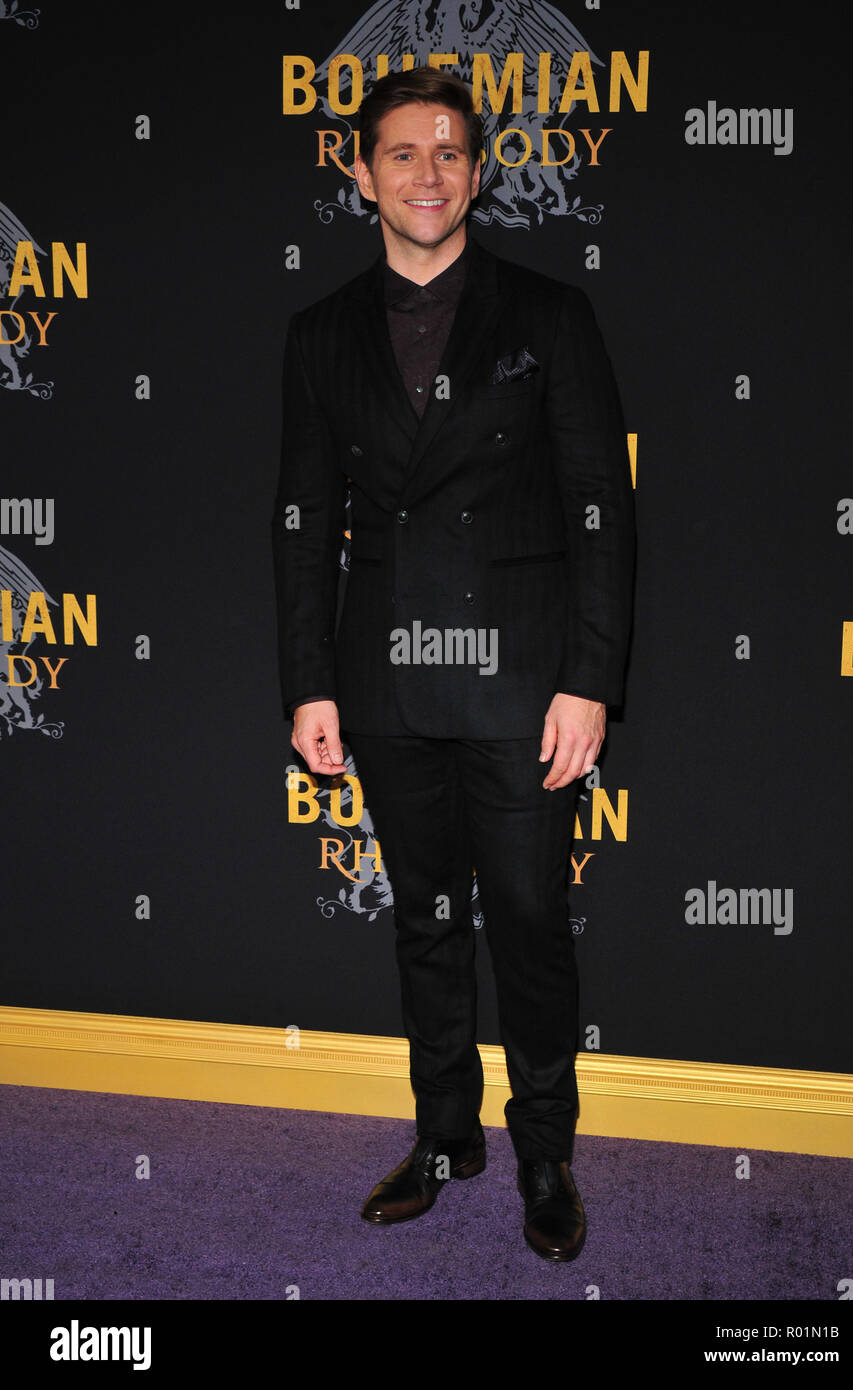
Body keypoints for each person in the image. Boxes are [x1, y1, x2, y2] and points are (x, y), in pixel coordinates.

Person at [272, 65, 635, 1262]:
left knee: (528, 918)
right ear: (359, 171)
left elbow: (597, 503)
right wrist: (310, 680)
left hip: (522, 683)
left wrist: (589, 678)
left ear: (477, 169)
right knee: (426, 921)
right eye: (401, 152)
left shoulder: (548, 314)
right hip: (384, 681)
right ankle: (443, 1135)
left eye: (449, 151)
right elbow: (299, 517)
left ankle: (542, 1149)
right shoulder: (319, 333)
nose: (427, 173)